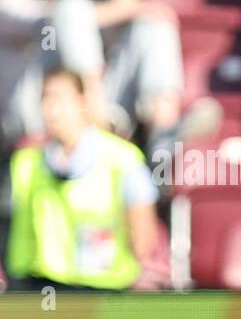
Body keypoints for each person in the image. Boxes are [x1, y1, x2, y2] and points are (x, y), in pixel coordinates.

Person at [0, 0, 185, 150]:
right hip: (40, 117)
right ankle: (97, 125)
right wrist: (136, 7)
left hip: (104, 110)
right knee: (72, 5)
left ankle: (163, 146)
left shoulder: (92, 5)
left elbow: (131, 9)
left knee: (153, 26)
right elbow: (62, 13)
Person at [5, 69, 164, 291]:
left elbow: (143, 241)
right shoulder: (25, 162)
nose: (50, 108)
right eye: (45, 98)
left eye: (58, 98)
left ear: (81, 101)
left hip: (104, 292)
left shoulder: (123, 159)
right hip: (36, 288)